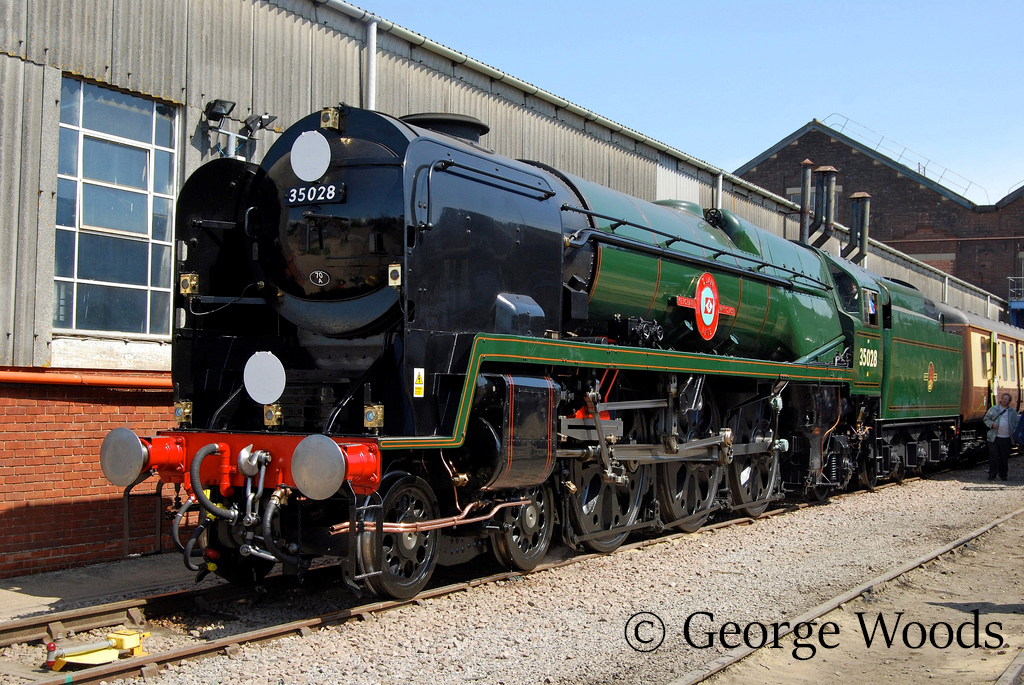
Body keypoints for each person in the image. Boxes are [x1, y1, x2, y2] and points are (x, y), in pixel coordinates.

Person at [983, 393, 1017, 481]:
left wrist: (1014, 432)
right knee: (993, 456)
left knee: (1004, 458)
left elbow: (1016, 423)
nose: (1005, 400)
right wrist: (992, 424)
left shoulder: (1012, 412)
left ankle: (1003, 475)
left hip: (1006, 438)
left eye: (1007, 399)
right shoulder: (993, 409)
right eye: (1003, 398)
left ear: (1009, 401)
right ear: (1001, 399)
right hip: (994, 437)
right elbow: (986, 419)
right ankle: (992, 474)